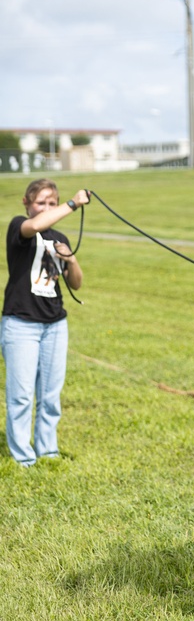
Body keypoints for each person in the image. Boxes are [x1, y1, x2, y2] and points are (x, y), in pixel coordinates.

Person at [3, 179, 89, 466]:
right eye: (41, 202)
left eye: (52, 203)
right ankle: (23, 458)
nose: (46, 208)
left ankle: (47, 450)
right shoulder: (19, 227)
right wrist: (73, 203)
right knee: (22, 396)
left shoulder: (60, 237)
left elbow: (75, 284)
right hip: (21, 324)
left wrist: (72, 260)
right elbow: (34, 226)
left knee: (50, 395)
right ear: (26, 203)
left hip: (55, 324)